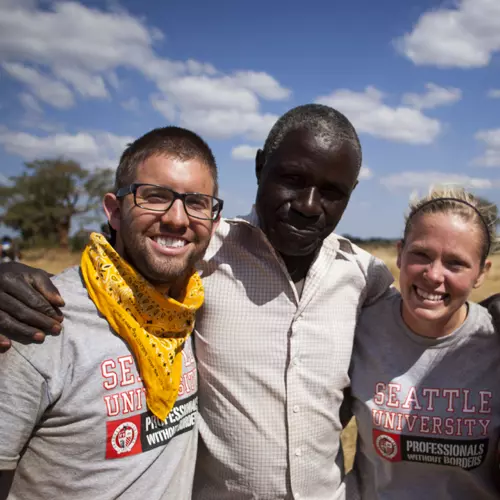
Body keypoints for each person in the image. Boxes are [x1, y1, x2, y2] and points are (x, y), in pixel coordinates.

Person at [0, 104, 397, 499]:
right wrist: (12, 279)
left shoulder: (367, 279)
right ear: (261, 167)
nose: (309, 205)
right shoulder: (203, 252)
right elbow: (124, 269)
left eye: (332, 192)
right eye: (293, 179)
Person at [0, 126, 223, 499]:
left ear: (214, 223)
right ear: (114, 211)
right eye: (155, 197)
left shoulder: (188, 309)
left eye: (196, 203)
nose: (177, 219)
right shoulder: (40, 319)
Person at [348, 188, 500, 499]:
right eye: (421, 254)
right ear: (400, 252)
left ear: (482, 272)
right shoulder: (358, 326)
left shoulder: (495, 341)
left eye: (455, 263)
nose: (433, 275)